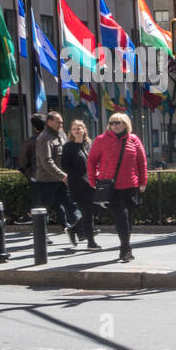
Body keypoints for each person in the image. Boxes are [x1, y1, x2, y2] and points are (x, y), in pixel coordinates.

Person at [87, 113, 147, 263]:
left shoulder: (134, 140)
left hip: (131, 186)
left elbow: (141, 161)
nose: (114, 126)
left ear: (125, 124)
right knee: (122, 217)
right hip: (112, 187)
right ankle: (125, 249)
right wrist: (92, 179)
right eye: (111, 123)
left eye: (118, 122)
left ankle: (125, 246)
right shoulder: (101, 140)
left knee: (129, 218)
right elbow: (91, 160)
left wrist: (143, 181)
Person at [32, 111, 81, 242]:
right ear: (49, 122)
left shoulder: (62, 134)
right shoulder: (44, 138)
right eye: (58, 122)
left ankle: (80, 231)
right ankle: (41, 234)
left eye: (61, 122)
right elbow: (46, 161)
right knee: (43, 209)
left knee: (71, 204)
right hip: (47, 180)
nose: (61, 124)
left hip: (63, 179)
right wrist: (62, 175)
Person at [61, 119, 102, 251]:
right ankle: (91, 243)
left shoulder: (89, 144)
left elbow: (96, 161)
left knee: (94, 211)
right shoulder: (68, 147)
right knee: (88, 213)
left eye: (79, 128)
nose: (77, 130)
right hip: (78, 185)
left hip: (92, 183)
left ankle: (73, 229)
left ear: (84, 130)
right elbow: (65, 166)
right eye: (74, 128)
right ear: (71, 132)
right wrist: (77, 176)